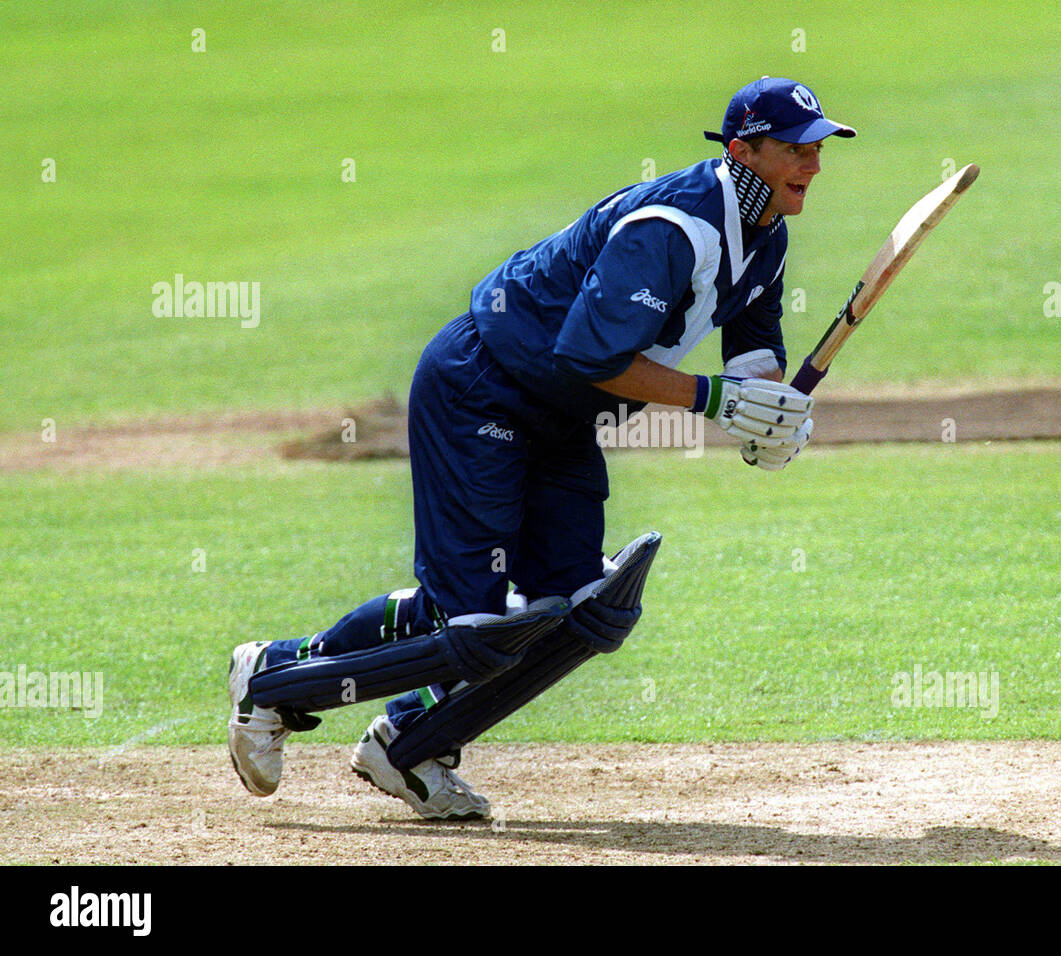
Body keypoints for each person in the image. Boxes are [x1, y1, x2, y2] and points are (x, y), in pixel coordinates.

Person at [227, 77, 856, 819]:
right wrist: (717, 402)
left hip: (561, 420)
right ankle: (272, 681)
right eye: (794, 149)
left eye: (816, 149)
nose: (812, 165)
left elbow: (754, 358)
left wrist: (768, 424)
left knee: (583, 612)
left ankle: (407, 745)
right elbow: (592, 353)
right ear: (743, 151)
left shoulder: (766, 238)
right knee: (471, 630)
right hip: (483, 389)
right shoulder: (671, 229)